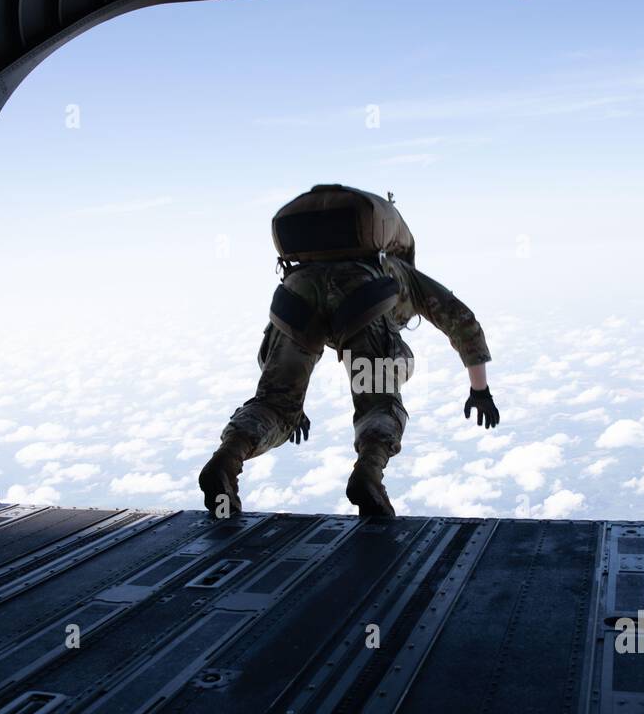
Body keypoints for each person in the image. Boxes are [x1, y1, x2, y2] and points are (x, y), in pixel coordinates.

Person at [199, 185, 499, 517]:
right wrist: (479, 390)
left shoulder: (301, 269)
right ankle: (367, 476)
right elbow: (460, 319)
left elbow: (269, 354)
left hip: (293, 296)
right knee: (378, 405)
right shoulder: (397, 272)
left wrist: (288, 405)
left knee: (274, 405)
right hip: (363, 300)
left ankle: (226, 460)